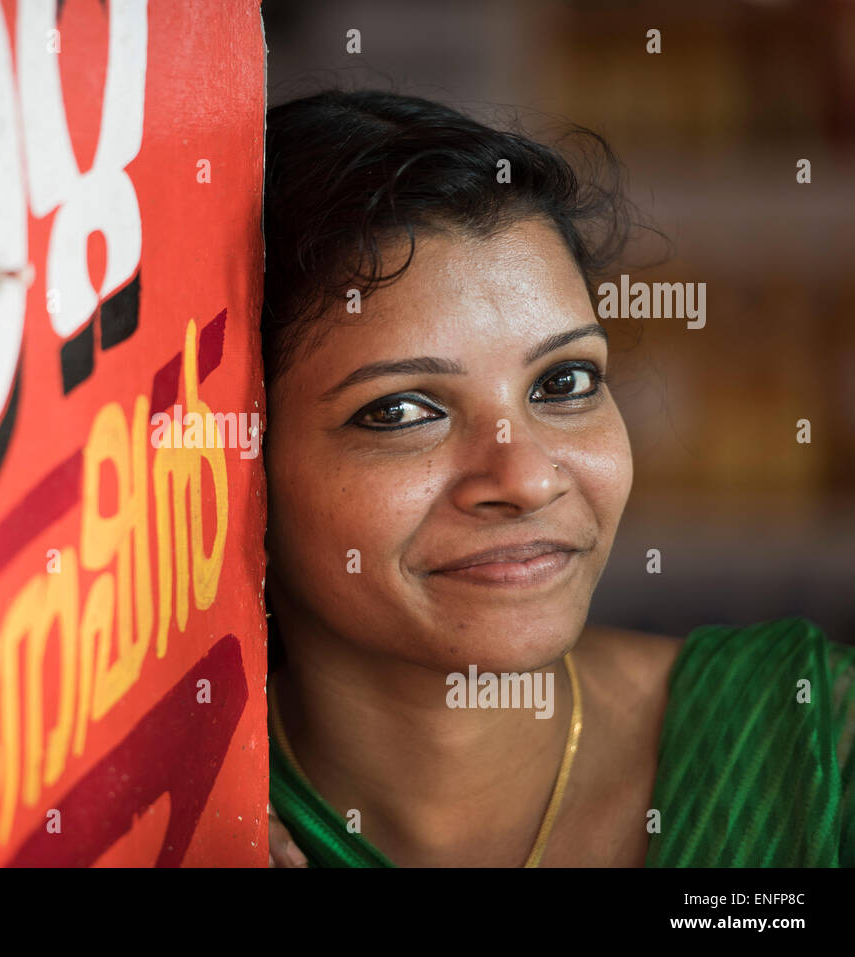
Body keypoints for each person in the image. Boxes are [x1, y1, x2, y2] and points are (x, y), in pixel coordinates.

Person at [261, 90, 855, 867]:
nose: (527, 478)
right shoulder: (152, 816)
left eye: (563, 383)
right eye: (402, 410)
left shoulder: (812, 755)